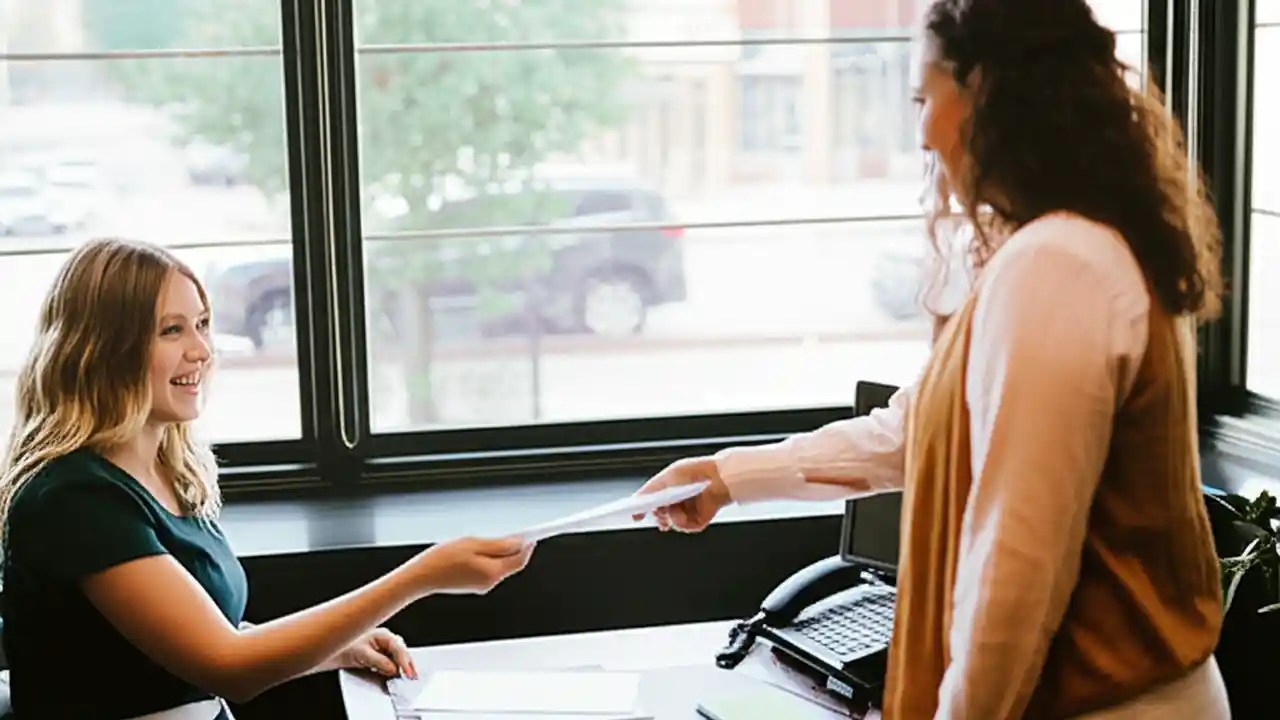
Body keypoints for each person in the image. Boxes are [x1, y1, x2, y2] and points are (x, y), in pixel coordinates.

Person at [634, 1, 1231, 718]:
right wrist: (728, 478)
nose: (920, 134)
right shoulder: (1066, 249)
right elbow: (911, 433)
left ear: (987, 92)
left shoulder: (1058, 265)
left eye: (924, 98)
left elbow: (1015, 569)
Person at [0, 238, 536, 719]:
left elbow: (200, 640)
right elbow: (228, 666)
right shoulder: (72, 497)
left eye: (203, 324)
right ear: (102, 350)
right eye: (172, 330)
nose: (202, 351)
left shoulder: (167, 471)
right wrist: (419, 577)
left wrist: (340, 649)